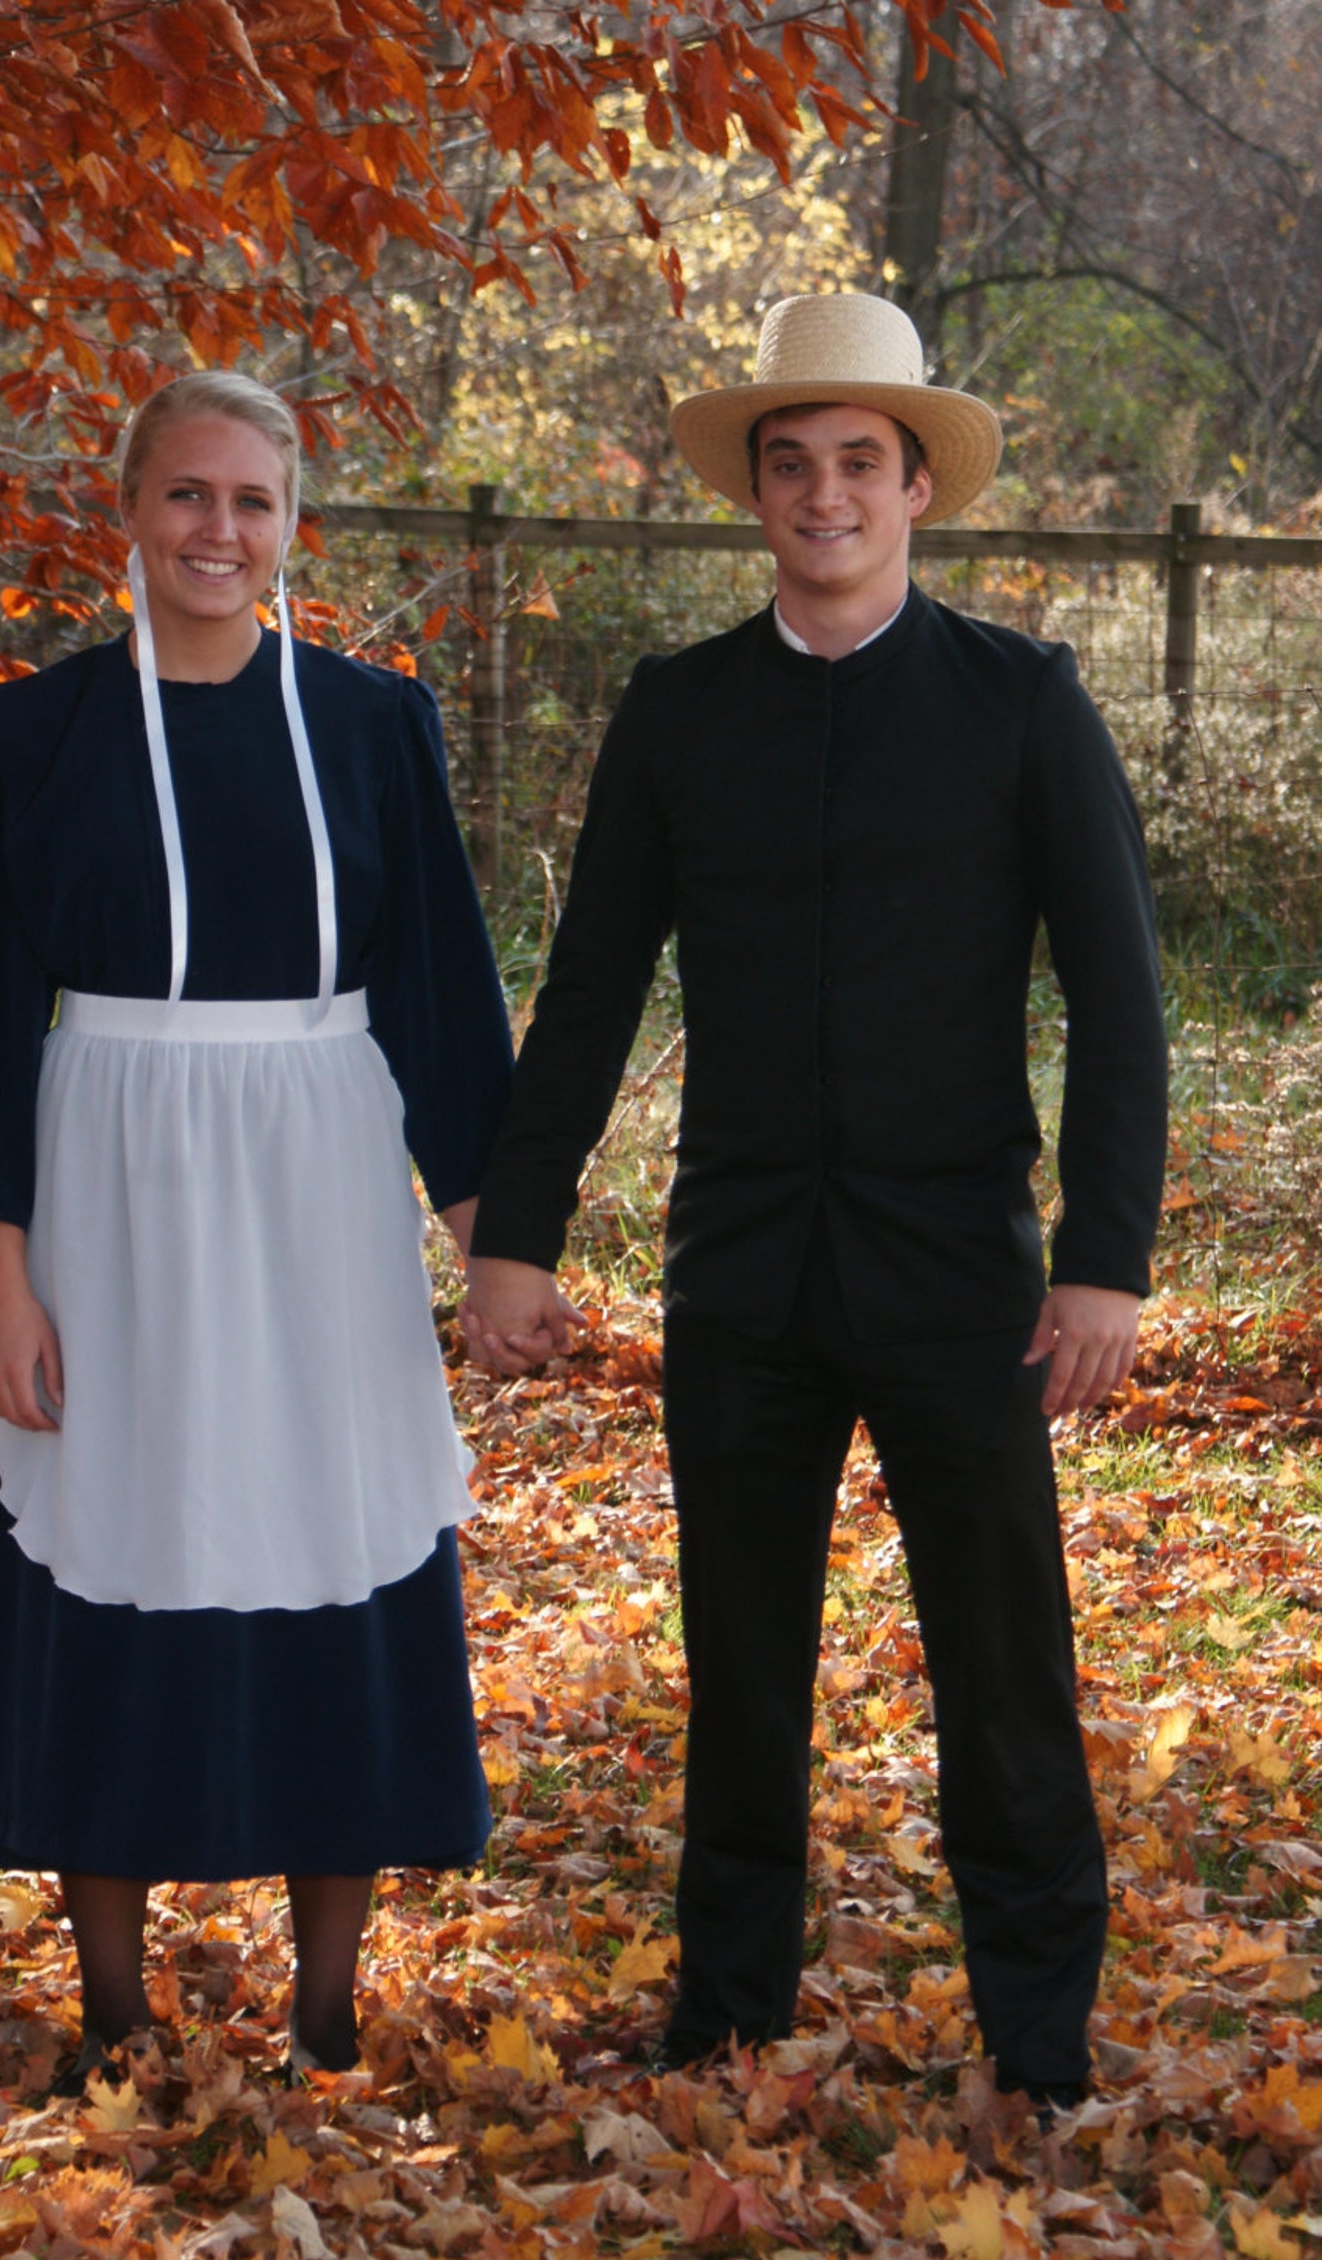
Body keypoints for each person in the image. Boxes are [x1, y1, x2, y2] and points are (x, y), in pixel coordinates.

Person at [463, 293, 1168, 2106]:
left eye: (862, 460)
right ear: (757, 494)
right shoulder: (682, 714)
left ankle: (1038, 2032)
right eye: (794, 465)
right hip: (748, 1271)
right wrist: (516, 1231)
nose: (827, 493)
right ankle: (729, 2011)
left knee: (1006, 1664)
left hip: (964, 1278)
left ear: (918, 484)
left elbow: (1120, 995)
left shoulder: (1022, 703)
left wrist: (1105, 1264)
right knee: (743, 1657)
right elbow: (598, 981)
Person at [0, 371, 513, 2086]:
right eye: (187, 495)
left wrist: (490, 1235)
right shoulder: (35, 732)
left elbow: (440, 999)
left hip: (318, 1188)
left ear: (292, 522)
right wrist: (1, 1276)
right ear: (129, 508)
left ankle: (324, 2001)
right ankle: (114, 2005)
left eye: (251, 501)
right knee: (111, 1535)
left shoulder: (373, 722)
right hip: (108, 1176)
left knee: (337, 1542)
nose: (218, 531)